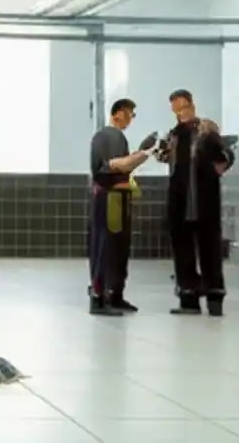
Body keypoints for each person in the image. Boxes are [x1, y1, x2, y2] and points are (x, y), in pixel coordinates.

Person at [158, 89, 235, 317]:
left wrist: (220, 165)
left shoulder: (206, 132)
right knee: (183, 251)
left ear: (192, 105)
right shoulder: (173, 136)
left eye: (184, 107)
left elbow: (226, 155)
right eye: (177, 109)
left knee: (209, 249)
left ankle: (214, 296)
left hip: (205, 202)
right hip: (180, 203)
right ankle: (188, 297)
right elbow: (160, 155)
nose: (181, 112)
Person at [88, 98, 158, 316]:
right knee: (106, 248)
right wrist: (144, 153)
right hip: (110, 198)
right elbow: (114, 165)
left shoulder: (117, 137)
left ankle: (115, 294)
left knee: (119, 248)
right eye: (129, 113)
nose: (131, 119)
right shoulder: (106, 136)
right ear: (117, 113)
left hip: (119, 197)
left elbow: (124, 164)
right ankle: (99, 297)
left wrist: (142, 153)